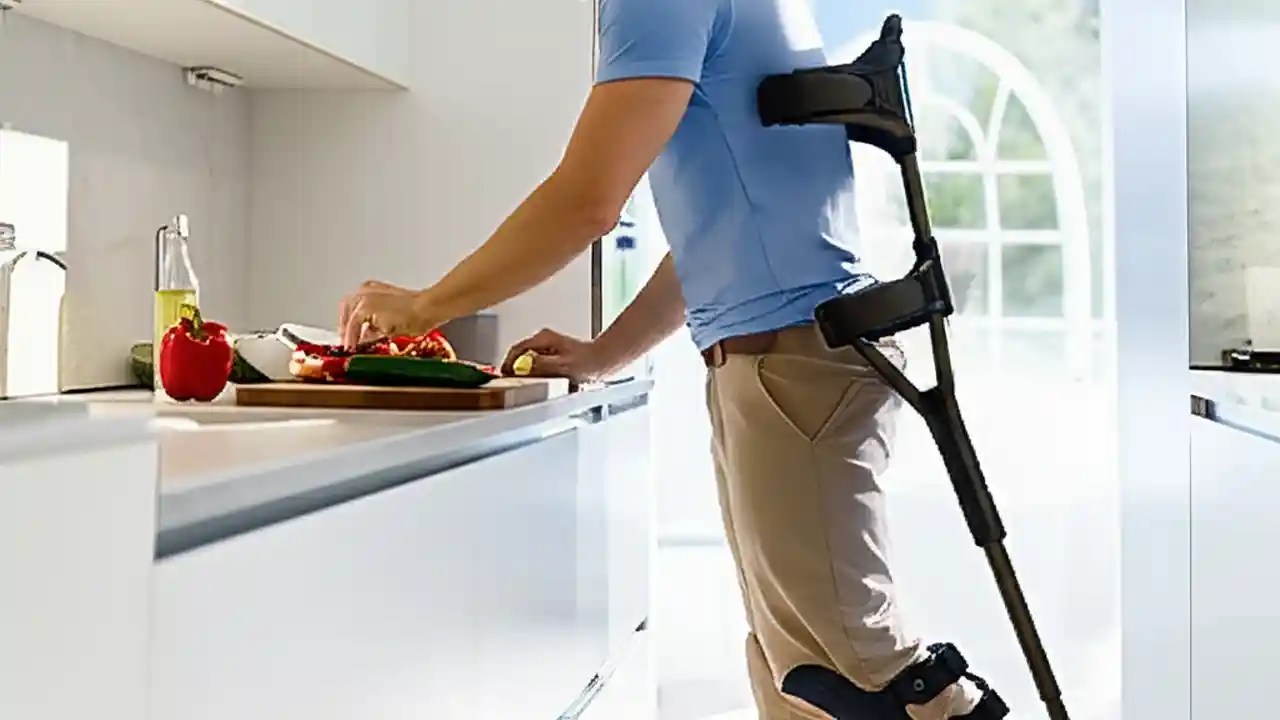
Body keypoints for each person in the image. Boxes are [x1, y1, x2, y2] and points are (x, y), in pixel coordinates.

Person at [337, 1, 995, 717]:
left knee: (871, 686)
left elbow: (588, 199)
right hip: (791, 367)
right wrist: (602, 354)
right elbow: (723, 224)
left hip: (795, 371)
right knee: (804, 681)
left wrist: (428, 306)